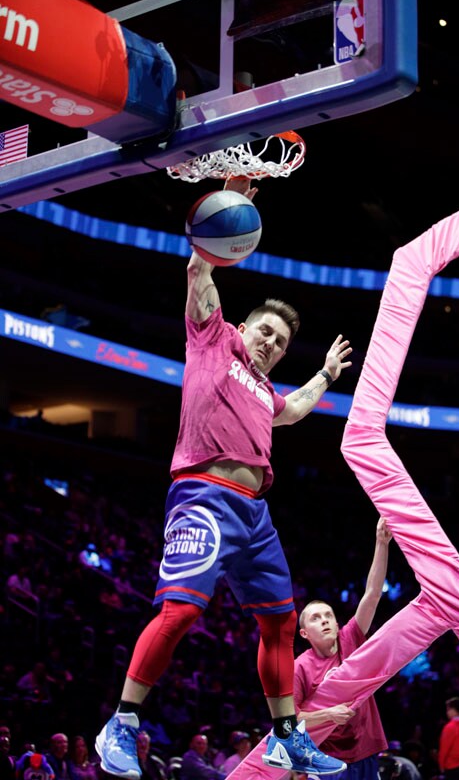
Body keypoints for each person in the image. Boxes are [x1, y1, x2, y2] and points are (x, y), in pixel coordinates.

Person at [95, 176, 352, 780]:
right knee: (182, 613)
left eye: (281, 343)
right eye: (266, 331)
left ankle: (288, 735)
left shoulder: (266, 391)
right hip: (203, 498)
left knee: (282, 623)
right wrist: (232, 203)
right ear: (246, 325)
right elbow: (198, 273)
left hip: (255, 514)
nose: (270, 344)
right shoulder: (213, 339)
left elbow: (291, 410)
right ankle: (123, 721)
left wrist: (325, 375)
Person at [294, 518, 393, 780]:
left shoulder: (351, 637)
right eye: (315, 618)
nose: (324, 619)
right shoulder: (300, 667)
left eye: (328, 615)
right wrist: (329, 714)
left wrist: (381, 543)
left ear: (337, 623)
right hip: (327, 758)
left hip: (366, 749)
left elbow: (372, 594)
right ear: (304, 633)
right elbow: (291, 719)